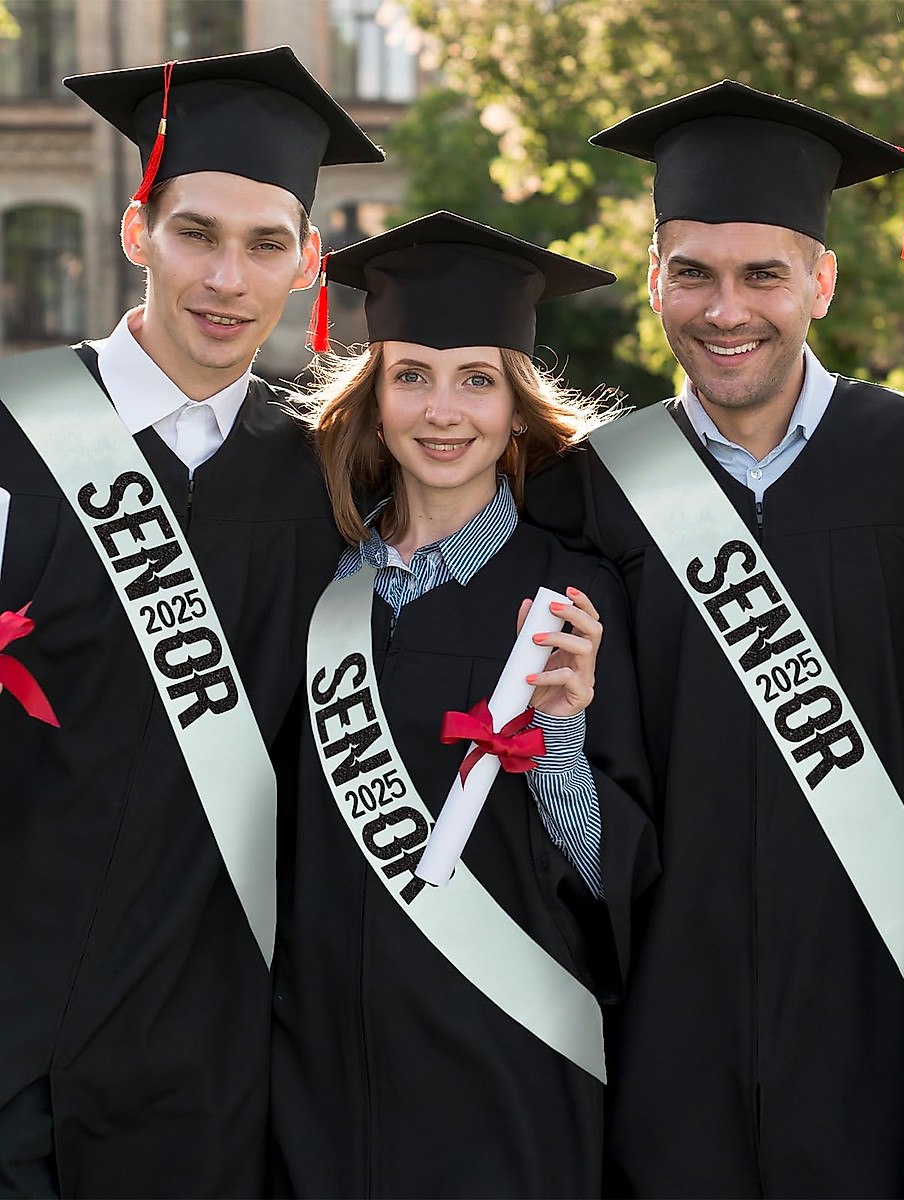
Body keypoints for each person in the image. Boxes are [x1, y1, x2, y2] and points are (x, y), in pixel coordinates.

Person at [523, 79, 904, 1198]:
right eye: (693, 272)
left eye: (763, 274)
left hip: (880, 990)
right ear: (654, 280)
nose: (726, 309)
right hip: (665, 1000)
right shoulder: (598, 488)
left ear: (821, 282)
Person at [0, 47, 382, 1197]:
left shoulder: (330, 489)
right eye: (196, 234)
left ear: (308, 262)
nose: (227, 277)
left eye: (266, 244)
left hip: (203, 1061)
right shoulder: (16, 435)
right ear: (137, 233)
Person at [270, 212, 658, 1199]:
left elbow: (624, 873)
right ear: (375, 395)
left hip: (507, 1076)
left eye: (478, 380)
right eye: (412, 377)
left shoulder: (575, 601)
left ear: (518, 407)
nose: (443, 413)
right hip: (316, 1085)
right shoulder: (316, 587)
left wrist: (562, 745)